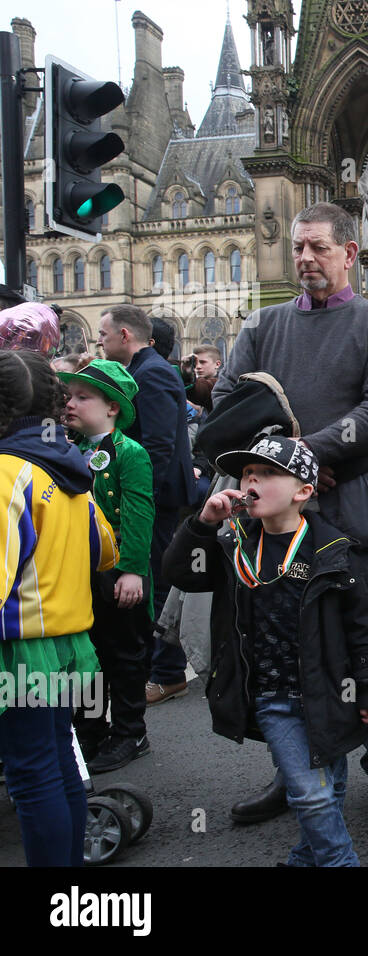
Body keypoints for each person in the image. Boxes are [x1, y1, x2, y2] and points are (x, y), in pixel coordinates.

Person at [212, 202, 368, 822]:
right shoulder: (263, 325)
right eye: (299, 247)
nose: (304, 258)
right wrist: (288, 464)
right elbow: (225, 400)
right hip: (277, 507)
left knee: (367, 629)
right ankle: (296, 771)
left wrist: (309, 453)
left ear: (349, 253)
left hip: (353, 495)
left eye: (318, 247)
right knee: (287, 638)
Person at [163, 437, 368, 866]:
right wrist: (202, 523)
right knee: (310, 792)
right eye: (248, 473)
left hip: (328, 690)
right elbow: (181, 573)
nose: (252, 481)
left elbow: (366, 627)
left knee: (330, 784)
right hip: (273, 695)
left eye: (268, 474)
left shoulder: (334, 550)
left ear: (303, 491)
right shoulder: (235, 541)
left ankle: (304, 859)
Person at [1, 350, 119, 867]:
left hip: (21, 648)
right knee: (57, 767)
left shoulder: (8, 471)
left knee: (31, 774)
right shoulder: (68, 470)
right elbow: (105, 549)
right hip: (70, 647)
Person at [59, 360, 156, 773]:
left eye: (83, 397)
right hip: (80, 572)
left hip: (118, 572)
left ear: (112, 408)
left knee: (124, 654)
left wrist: (132, 569)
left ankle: (130, 730)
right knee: (90, 655)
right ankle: (92, 728)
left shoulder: (129, 453)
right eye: (69, 396)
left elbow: (139, 512)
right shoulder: (70, 449)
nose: (71, 404)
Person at [97, 304, 196, 699]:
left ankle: (168, 672)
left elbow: (157, 446)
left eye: (103, 334)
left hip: (157, 499)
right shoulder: (146, 370)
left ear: (125, 335)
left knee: (158, 582)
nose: (99, 341)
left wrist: (140, 501)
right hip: (152, 498)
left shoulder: (152, 373)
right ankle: (159, 668)